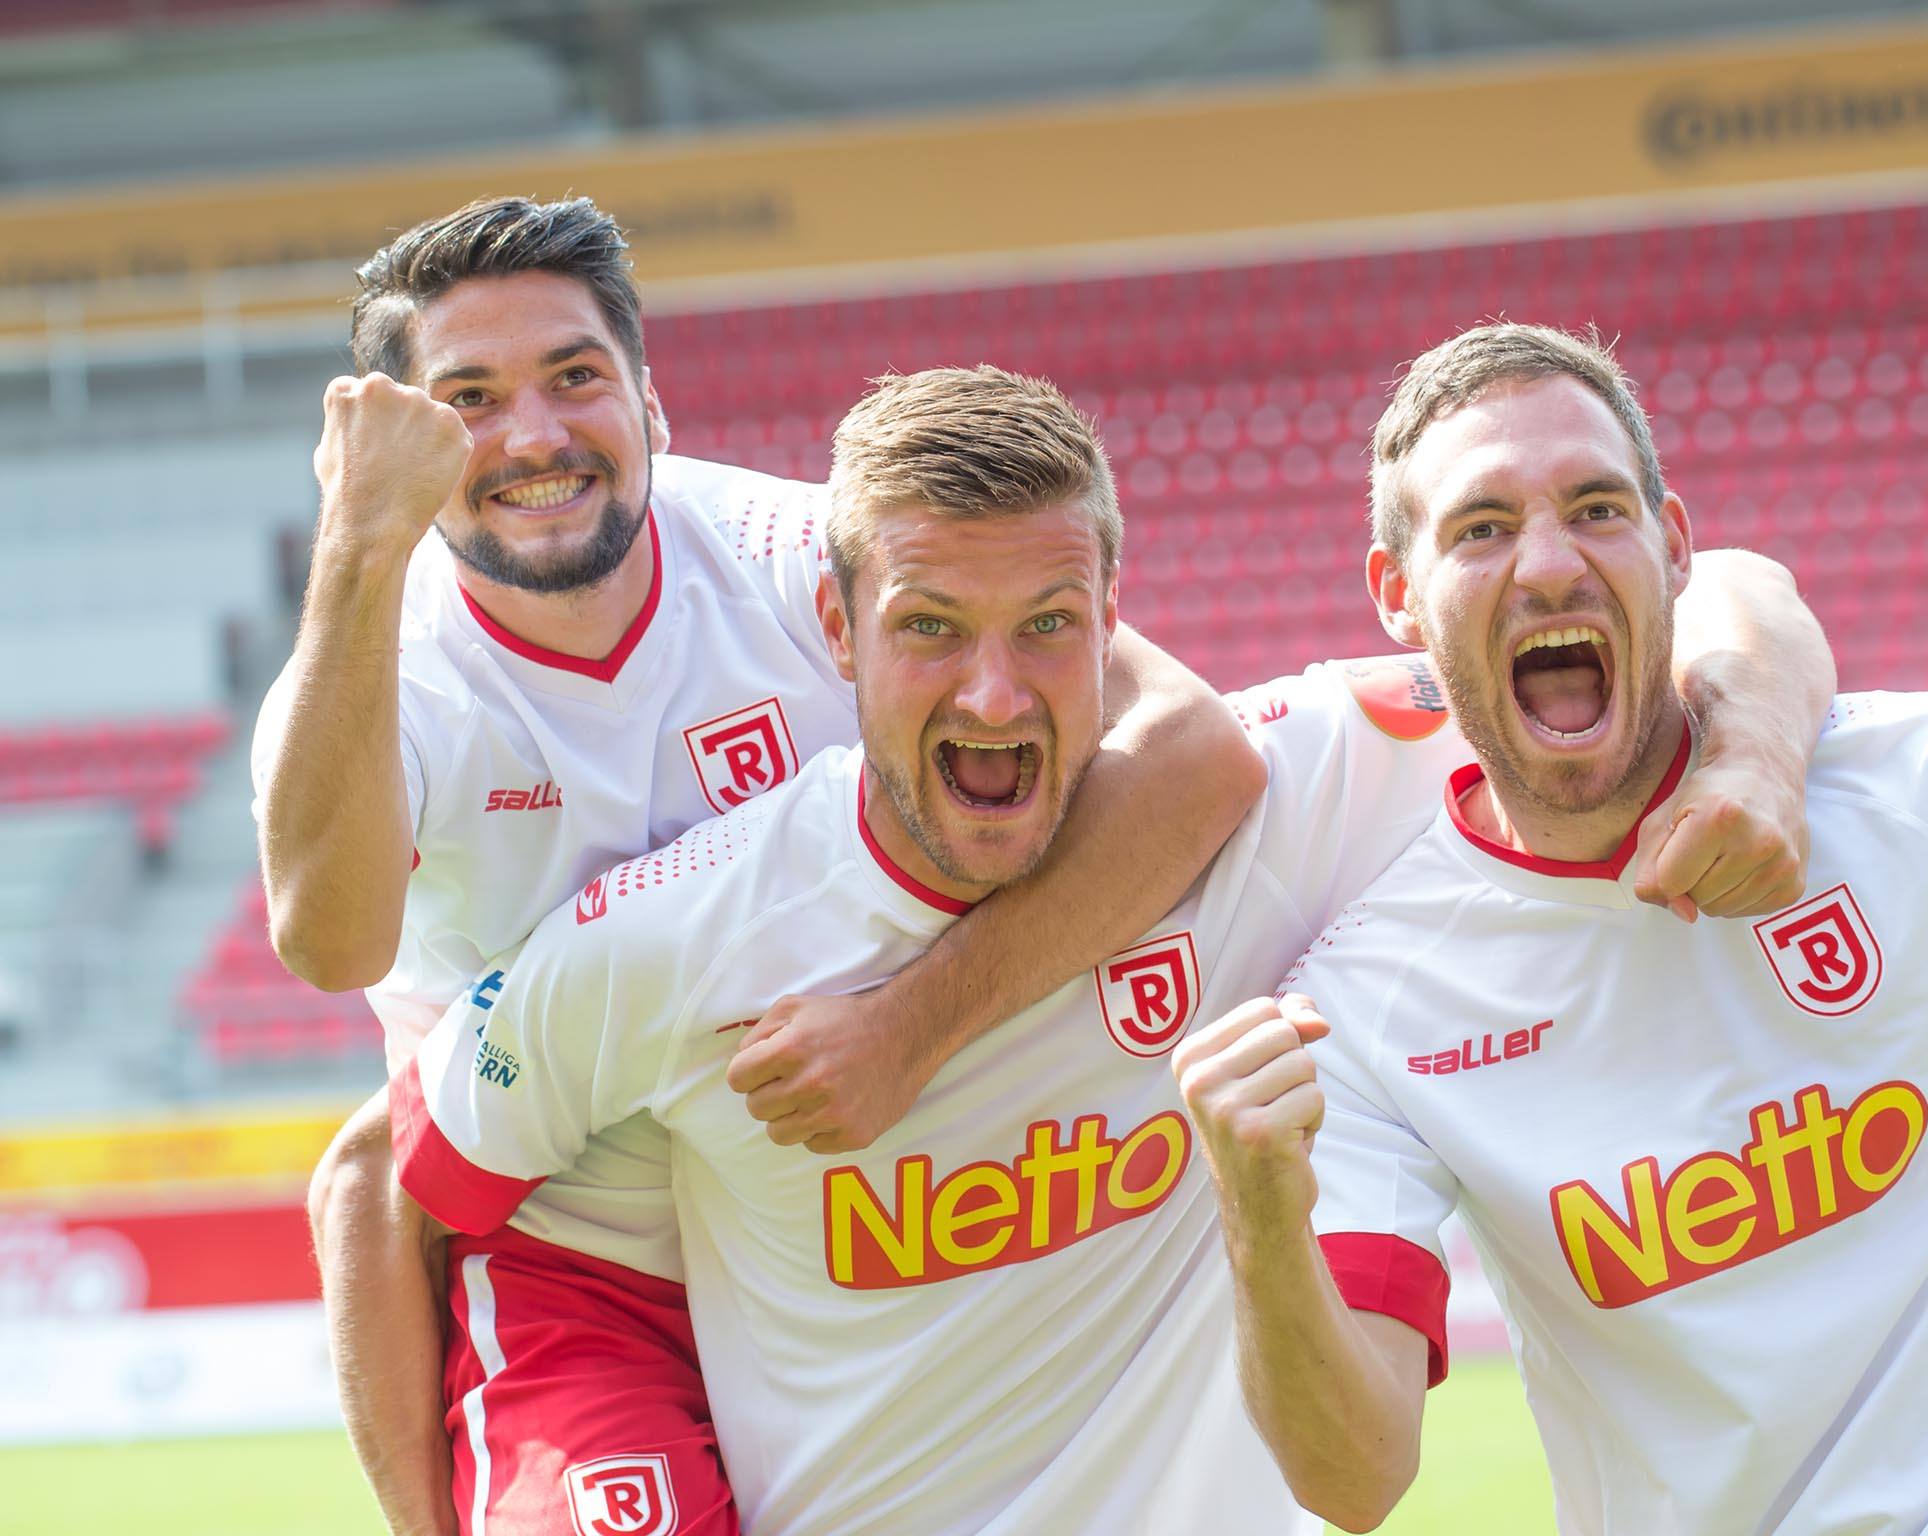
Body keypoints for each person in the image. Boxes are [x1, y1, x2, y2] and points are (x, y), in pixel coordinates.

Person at [385, 365, 1838, 1533]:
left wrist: (1756, 758)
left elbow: (1711, 599)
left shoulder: (1298, 787)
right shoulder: (665, 935)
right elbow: (409, 1199)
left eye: (1048, 626)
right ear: (833, 629)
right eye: (931, 629)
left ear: (1112, 628)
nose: (996, 691)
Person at [1175, 322, 1928, 1536]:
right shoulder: (1367, 1002)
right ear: (1397, 596)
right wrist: (1257, 1213)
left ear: (1675, 548)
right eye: (1482, 527)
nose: (1550, 564)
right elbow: (1355, 1481)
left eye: (1597, 507)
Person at [276, 195, 1272, 1535]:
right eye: (467, 398)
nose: (533, 433)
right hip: (599, 1266)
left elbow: (1190, 749)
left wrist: (920, 1020)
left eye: (576, 377)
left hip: (868, 1217)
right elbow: (329, 949)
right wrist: (356, 545)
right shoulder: (375, 670)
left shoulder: (802, 555)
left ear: (650, 404)